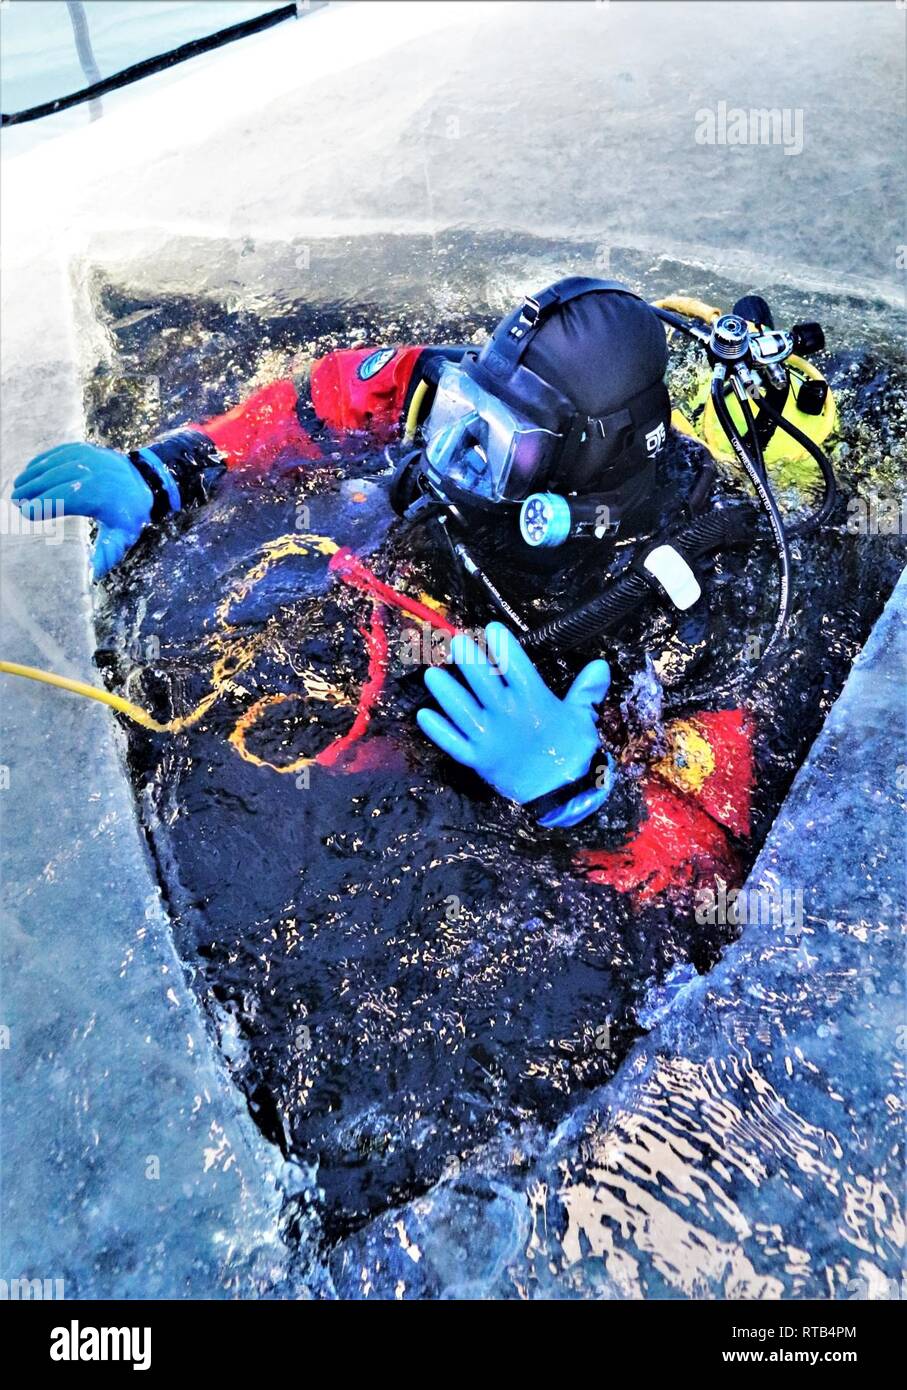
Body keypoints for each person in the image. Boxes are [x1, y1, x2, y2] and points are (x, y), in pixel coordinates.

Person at [13, 277, 766, 900]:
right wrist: (180, 464)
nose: (451, 453)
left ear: (575, 479)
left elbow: (710, 869)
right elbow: (334, 393)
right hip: (395, 637)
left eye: (497, 445)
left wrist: (580, 799)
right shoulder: (467, 389)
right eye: (464, 412)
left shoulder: (688, 616)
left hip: (507, 746)